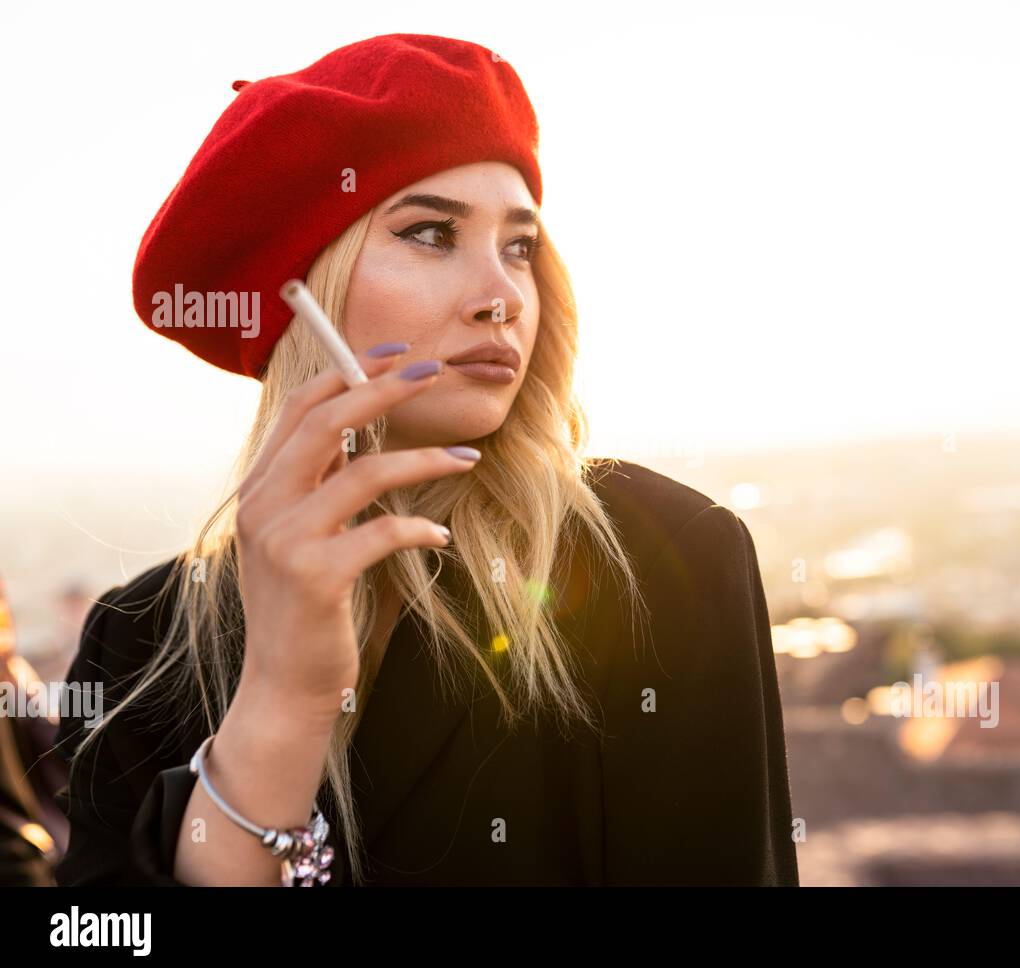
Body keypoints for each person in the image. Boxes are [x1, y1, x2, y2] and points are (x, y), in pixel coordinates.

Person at [53, 33, 798, 887]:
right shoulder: (140, 640)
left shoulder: (661, 555)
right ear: (308, 296)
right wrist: (282, 707)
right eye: (433, 232)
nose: (503, 296)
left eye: (519, 246)